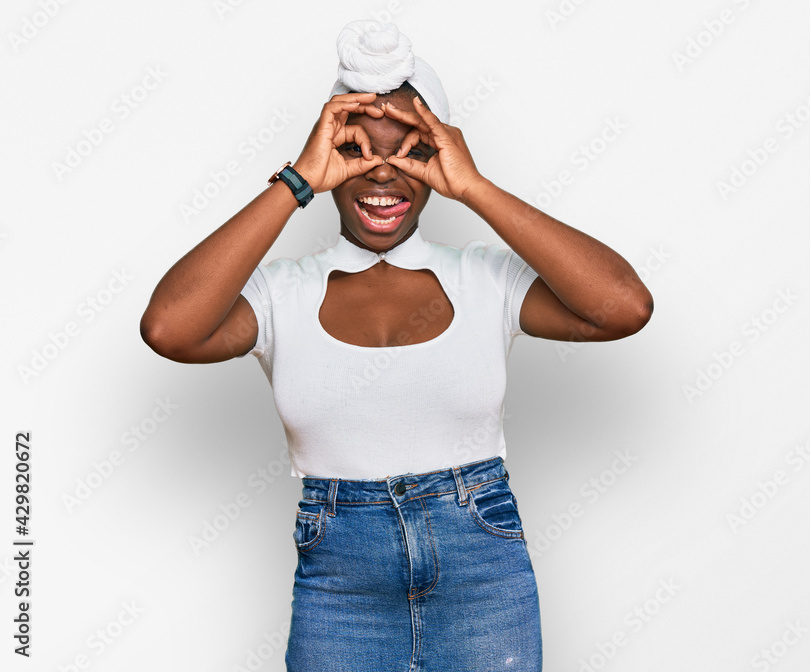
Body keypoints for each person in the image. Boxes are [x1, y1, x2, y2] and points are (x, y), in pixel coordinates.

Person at [140, 19, 653, 672]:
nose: (383, 173)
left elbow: (623, 306)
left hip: (482, 571)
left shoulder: (484, 279)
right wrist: (297, 179)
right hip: (341, 585)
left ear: (440, 159)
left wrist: (474, 186)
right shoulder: (283, 295)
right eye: (357, 150)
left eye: (411, 151)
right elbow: (168, 328)